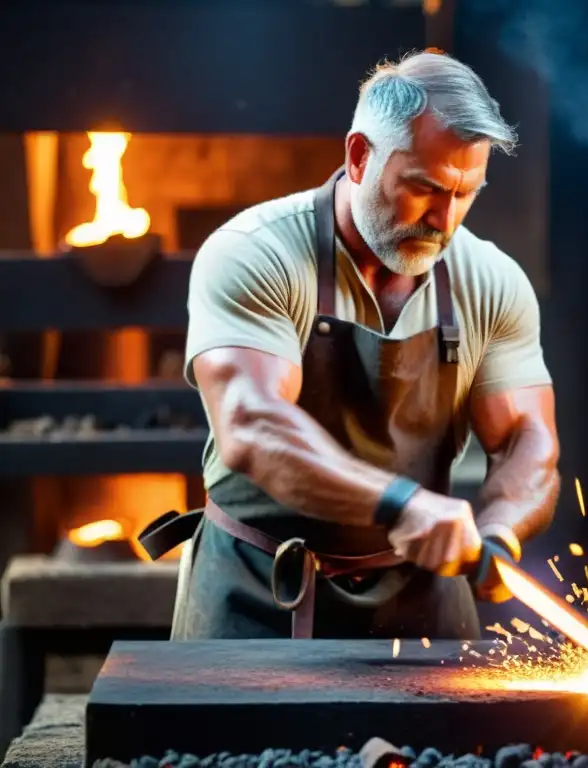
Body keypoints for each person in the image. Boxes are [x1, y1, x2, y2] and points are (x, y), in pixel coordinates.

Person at [139, 51, 560, 640]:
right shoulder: (256, 254)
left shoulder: (491, 280)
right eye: (424, 188)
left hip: (421, 601)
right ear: (359, 156)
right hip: (257, 589)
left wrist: (499, 531)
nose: (444, 220)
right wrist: (402, 506)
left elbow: (527, 439)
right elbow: (253, 427)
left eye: (466, 194)